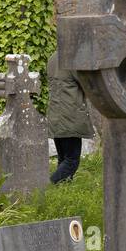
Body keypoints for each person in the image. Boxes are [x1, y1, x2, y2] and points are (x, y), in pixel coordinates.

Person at [46, 53, 93, 184]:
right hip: (70, 116)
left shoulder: (52, 58)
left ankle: (62, 190)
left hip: (55, 114)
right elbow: (88, 84)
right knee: (71, 160)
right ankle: (47, 186)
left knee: (63, 159)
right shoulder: (71, 60)